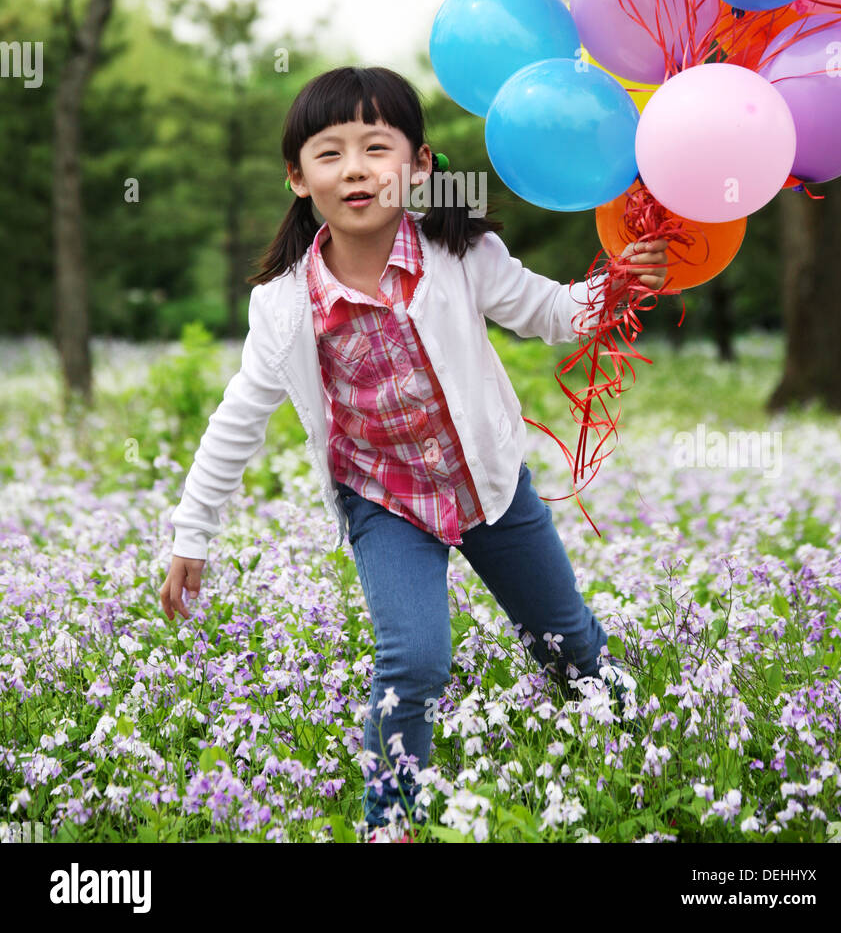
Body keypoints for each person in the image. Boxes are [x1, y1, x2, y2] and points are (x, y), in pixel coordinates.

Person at [159, 65, 668, 841]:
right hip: (385, 502)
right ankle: (389, 823)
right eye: (329, 154)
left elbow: (552, 312)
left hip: (489, 486)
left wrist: (618, 287)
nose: (355, 169)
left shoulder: (460, 252)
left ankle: (655, 748)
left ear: (420, 166)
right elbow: (238, 419)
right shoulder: (285, 303)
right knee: (415, 659)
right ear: (298, 179)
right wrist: (191, 534)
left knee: (568, 646)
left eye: (376, 147)